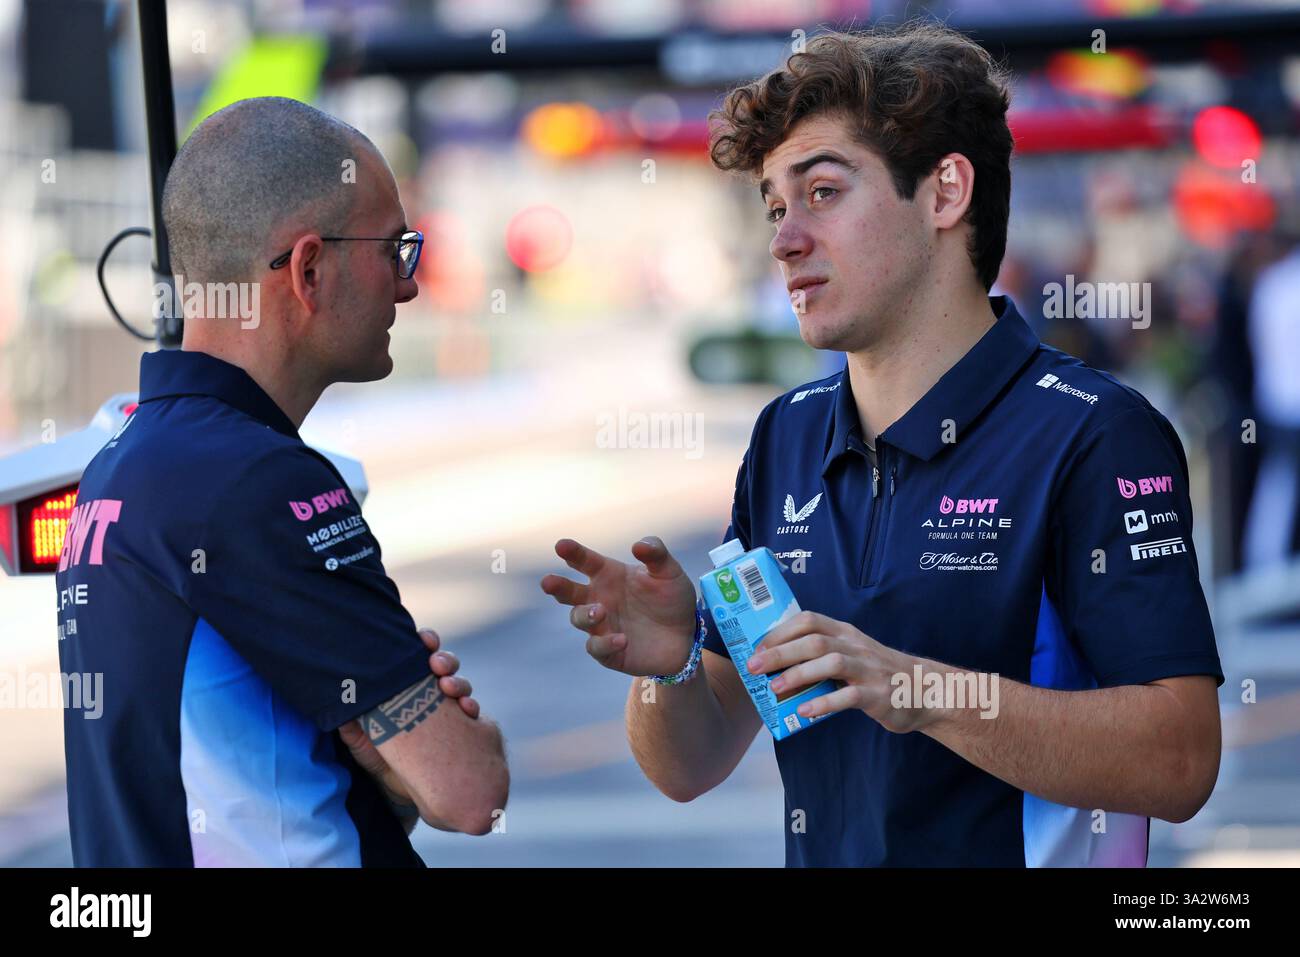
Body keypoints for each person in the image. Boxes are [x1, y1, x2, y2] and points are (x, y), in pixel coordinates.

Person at [542, 24, 1223, 867]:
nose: (785, 240)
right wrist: (674, 666)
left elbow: (1182, 759)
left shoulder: (1094, 433)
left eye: (822, 192)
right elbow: (693, 762)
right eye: (775, 207)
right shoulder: (784, 437)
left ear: (945, 193)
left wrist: (917, 689)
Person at [55, 97, 508, 866]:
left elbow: (259, 794)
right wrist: (438, 741)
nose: (408, 286)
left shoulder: (116, 463)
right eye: (395, 249)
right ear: (308, 268)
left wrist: (382, 759)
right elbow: (469, 791)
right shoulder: (261, 481)